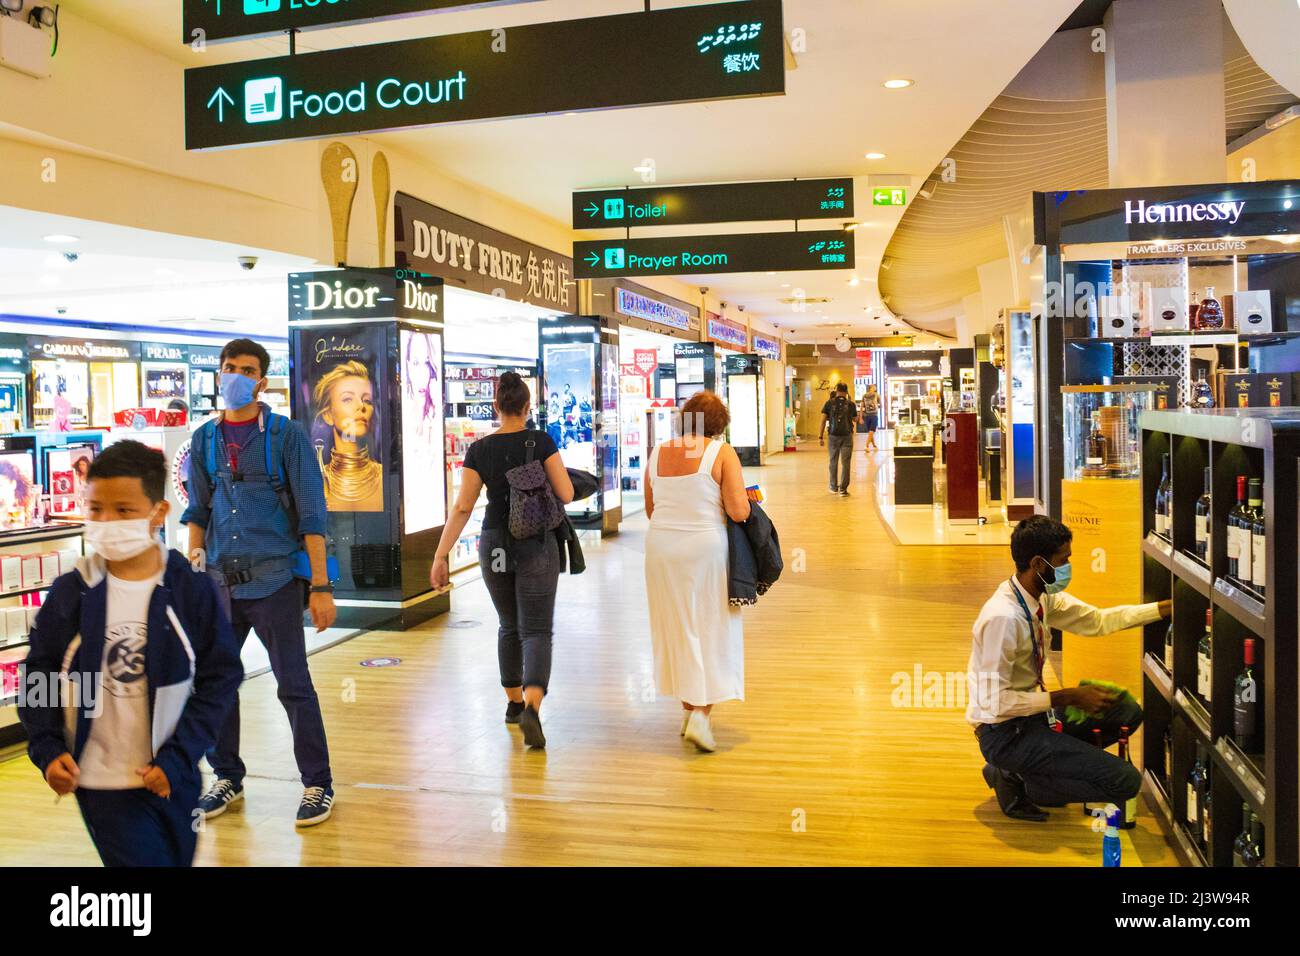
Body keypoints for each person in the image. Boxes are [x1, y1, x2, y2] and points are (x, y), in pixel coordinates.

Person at [18, 440, 242, 866]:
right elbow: (41, 672)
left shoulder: (189, 590)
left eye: (123, 510)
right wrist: (48, 749)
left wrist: (178, 758)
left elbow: (220, 676)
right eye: (96, 508)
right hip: (101, 783)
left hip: (173, 780)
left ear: (158, 512)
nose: (106, 521)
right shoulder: (74, 592)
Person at [182, 338, 338, 827]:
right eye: (229, 368)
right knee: (214, 685)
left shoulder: (286, 436)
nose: (235, 376)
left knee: (293, 684)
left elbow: (313, 513)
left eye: (246, 370)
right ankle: (227, 775)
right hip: (220, 584)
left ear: (261, 380)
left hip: (274, 583)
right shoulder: (204, 439)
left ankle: (318, 784)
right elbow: (198, 511)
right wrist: (193, 573)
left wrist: (320, 585)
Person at [967, 515, 1170, 821]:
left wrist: (1165, 608)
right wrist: (1069, 696)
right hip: (1004, 733)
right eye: (1064, 560)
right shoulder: (1003, 619)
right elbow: (995, 703)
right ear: (1039, 564)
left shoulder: (1042, 599)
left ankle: (1024, 769)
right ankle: (1022, 780)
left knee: (1126, 711)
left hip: (1032, 717)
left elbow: (1099, 621)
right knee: (1125, 781)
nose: (1068, 568)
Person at [430, 371, 574, 750]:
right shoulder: (541, 442)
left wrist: (441, 554)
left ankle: (512, 705)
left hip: (494, 542)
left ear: (496, 406)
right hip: (537, 544)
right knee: (538, 629)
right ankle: (532, 704)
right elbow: (567, 493)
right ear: (528, 407)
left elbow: (463, 507)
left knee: (508, 624)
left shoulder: (479, 450)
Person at [644, 390, 751, 753]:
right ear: (720, 425)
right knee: (710, 626)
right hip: (705, 549)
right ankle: (702, 715)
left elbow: (651, 508)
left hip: (660, 550)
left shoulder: (658, 452)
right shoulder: (721, 453)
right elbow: (738, 511)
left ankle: (688, 711)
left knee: (676, 626)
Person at [313, 359, 383, 512]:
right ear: (328, 415)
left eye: (367, 400)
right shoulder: (317, 483)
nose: (361, 406)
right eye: (347, 399)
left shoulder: (384, 478)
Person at [818, 382, 858, 496]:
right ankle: (843, 489)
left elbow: (823, 421)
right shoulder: (851, 404)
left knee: (833, 461)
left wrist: (820, 436)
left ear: (836, 391)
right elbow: (855, 420)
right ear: (846, 392)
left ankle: (833, 487)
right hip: (847, 437)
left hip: (833, 436)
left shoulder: (829, 403)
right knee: (846, 463)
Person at [860, 384, 880, 451]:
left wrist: (861, 417)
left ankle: (871, 445)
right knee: (871, 432)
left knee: (870, 432)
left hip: (867, 415)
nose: (875, 388)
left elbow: (861, 407)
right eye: (874, 387)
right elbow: (881, 404)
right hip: (874, 415)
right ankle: (869, 446)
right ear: (871, 388)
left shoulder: (864, 395)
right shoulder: (876, 395)